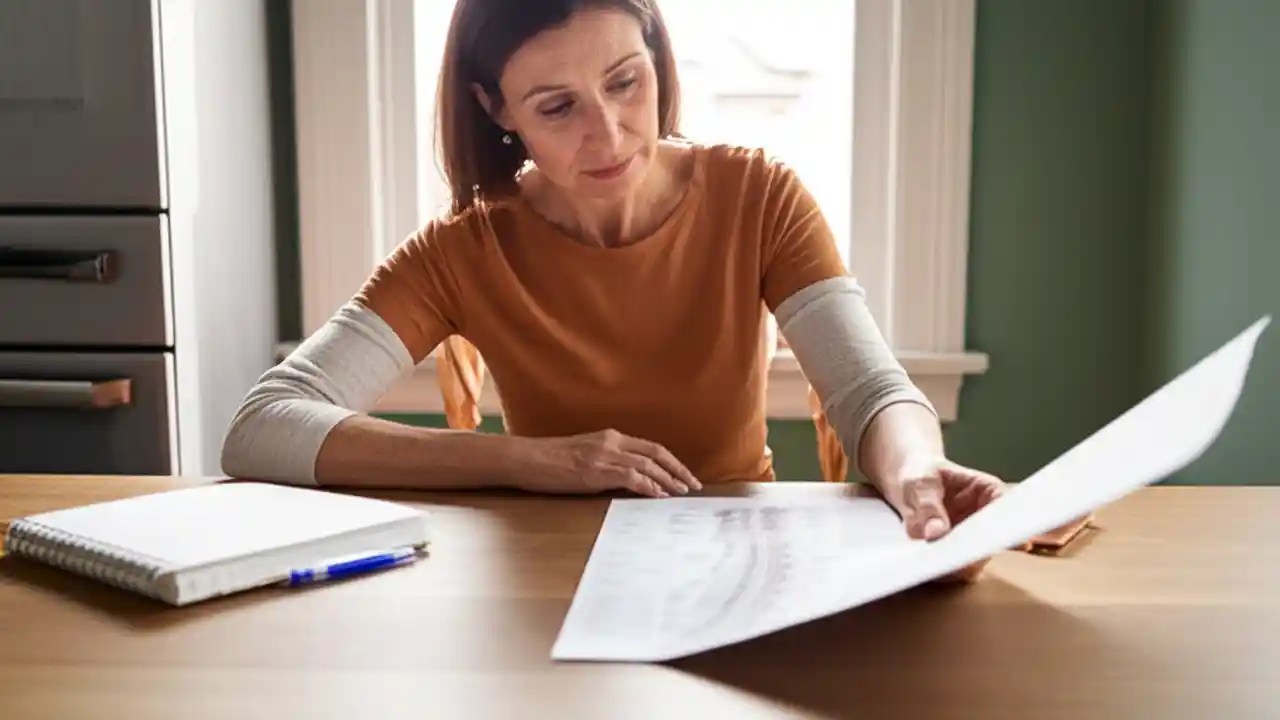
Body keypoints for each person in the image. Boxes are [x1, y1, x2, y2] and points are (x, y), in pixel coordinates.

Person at [222, 0, 1009, 579]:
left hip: (740, 560)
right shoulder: (463, 248)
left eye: (626, 82)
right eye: (557, 107)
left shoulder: (760, 196)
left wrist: (914, 470)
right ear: (495, 110)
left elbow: (870, 390)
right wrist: (529, 461)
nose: (608, 133)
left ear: (658, 60)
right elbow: (263, 428)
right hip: (547, 577)